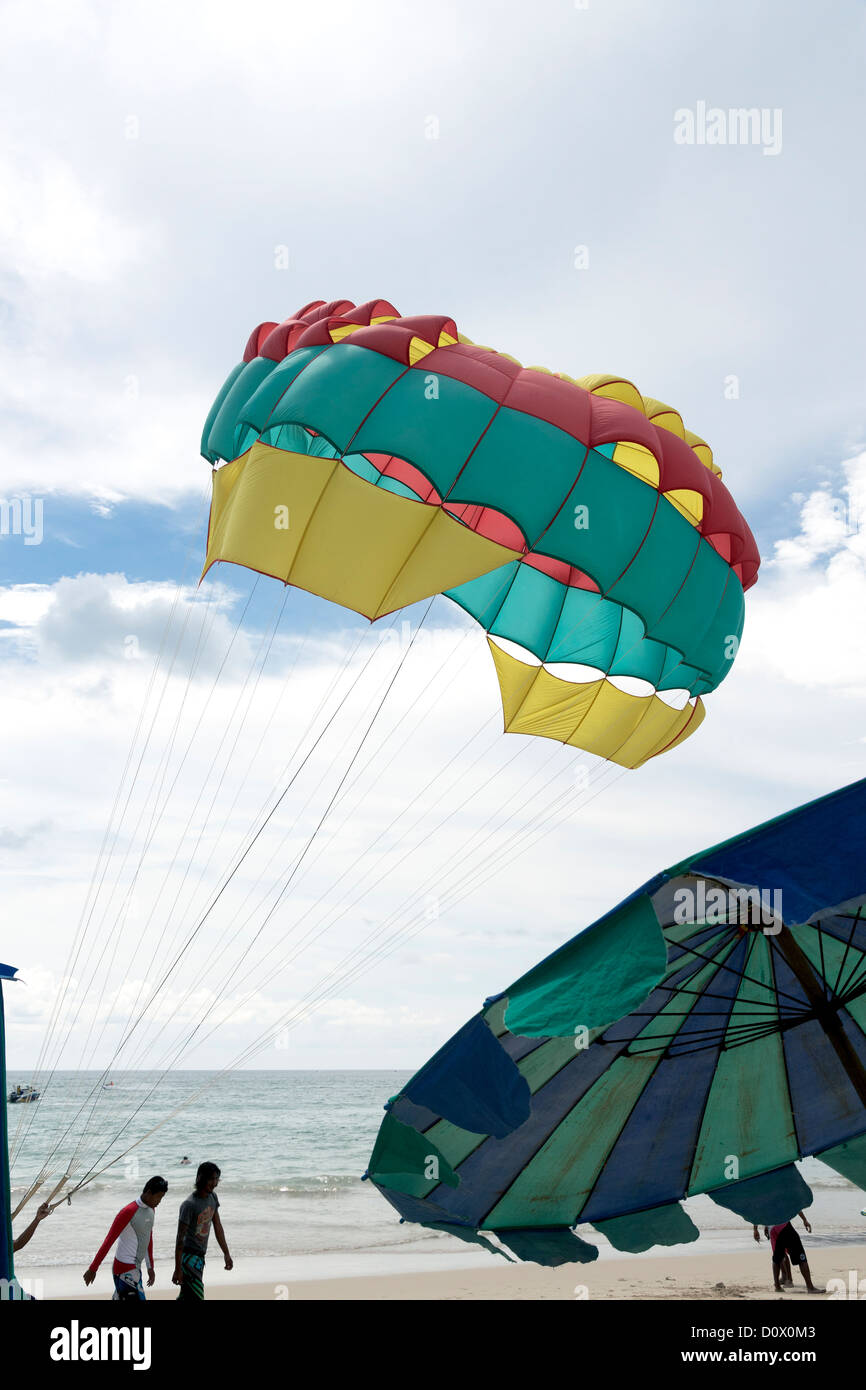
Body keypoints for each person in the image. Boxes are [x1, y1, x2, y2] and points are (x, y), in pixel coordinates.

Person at [83, 1176, 168, 1300]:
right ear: (149, 1193)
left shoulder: (151, 1210)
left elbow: (148, 1238)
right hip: (124, 1268)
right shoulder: (128, 1211)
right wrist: (93, 1268)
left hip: (135, 1268)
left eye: (162, 1197)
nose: (160, 1201)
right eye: (159, 1197)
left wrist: (150, 1267)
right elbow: (109, 1241)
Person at [173, 1161, 232, 1300]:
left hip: (200, 1258)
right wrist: (177, 1269)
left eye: (217, 1179)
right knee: (197, 1296)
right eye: (211, 1179)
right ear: (200, 1178)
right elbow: (179, 1239)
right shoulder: (189, 1205)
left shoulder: (213, 1198)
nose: (215, 1183)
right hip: (188, 1259)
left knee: (187, 1296)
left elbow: (218, 1227)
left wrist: (226, 1253)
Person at [752, 1211, 820, 1293]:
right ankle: (810, 1288)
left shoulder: (762, 1198)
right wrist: (804, 1220)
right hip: (783, 1226)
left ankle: (777, 1287)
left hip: (772, 1229)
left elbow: (757, 1211)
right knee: (801, 1257)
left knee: (777, 1257)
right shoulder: (780, 1197)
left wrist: (756, 1229)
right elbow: (794, 1204)